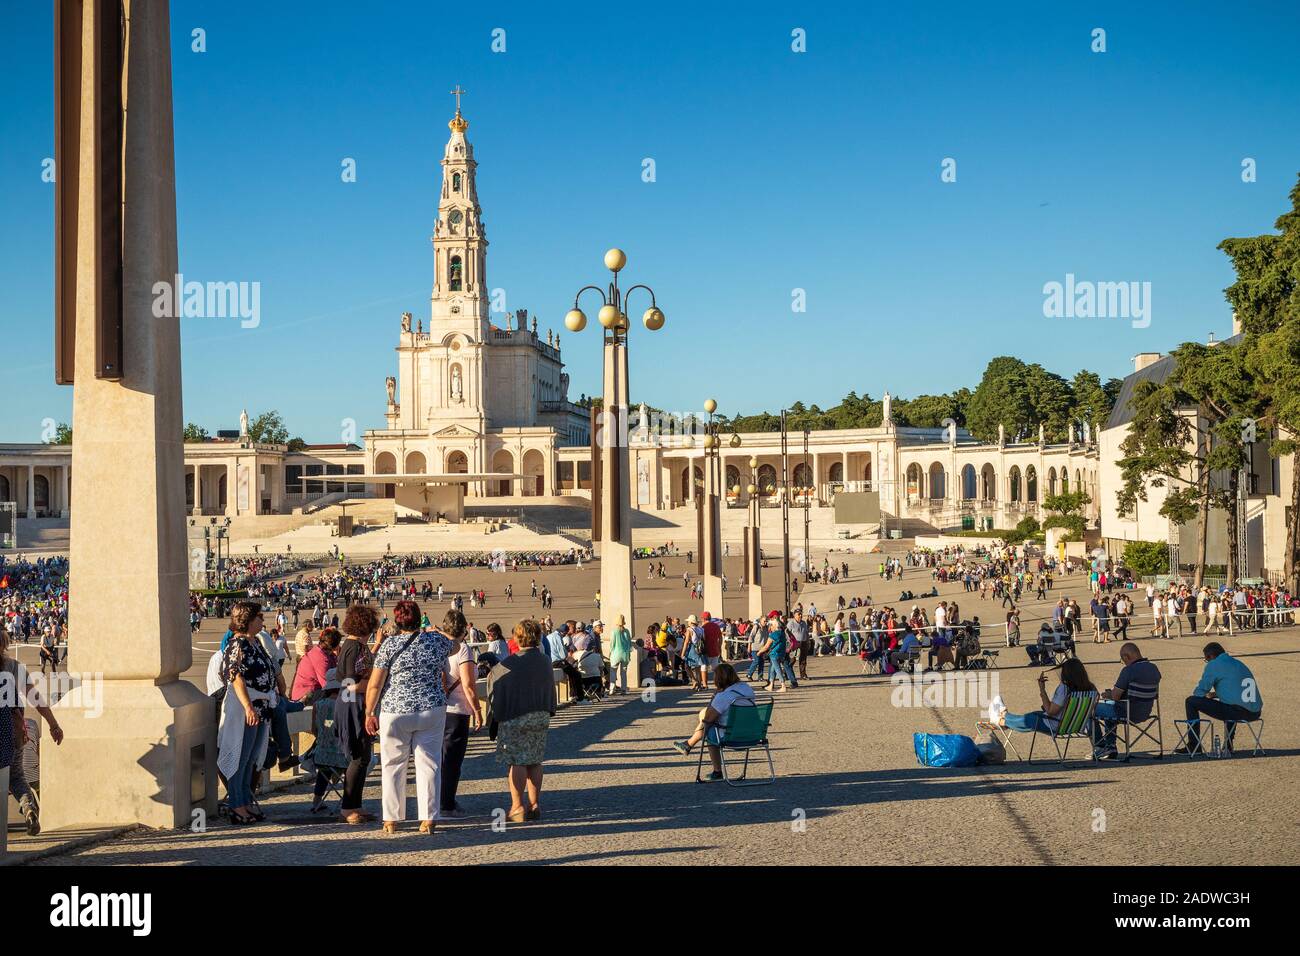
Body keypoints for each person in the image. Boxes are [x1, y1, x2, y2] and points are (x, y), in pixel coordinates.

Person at [364, 601, 461, 835]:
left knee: (393, 764)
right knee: (429, 764)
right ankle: (428, 818)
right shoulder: (437, 642)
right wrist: (436, 630)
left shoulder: (389, 645)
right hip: (431, 707)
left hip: (395, 710)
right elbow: (456, 645)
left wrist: (369, 712)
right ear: (420, 619)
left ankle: (391, 819)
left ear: (397, 621)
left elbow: (375, 684)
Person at [487, 619, 556, 823]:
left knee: (516, 760)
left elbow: (494, 686)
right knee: (534, 759)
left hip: (515, 716)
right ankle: (535, 804)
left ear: (518, 638)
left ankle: (517, 806)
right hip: (541, 714)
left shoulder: (508, 663)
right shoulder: (544, 660)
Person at [216, 601, 278, 825]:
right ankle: (237, 805)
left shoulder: (256, 642)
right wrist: (248, 707)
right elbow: (235, 677)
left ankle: (245, 802)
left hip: (262, 708)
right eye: (259, 616)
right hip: (247, 709)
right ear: (248, 620)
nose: (263, 620)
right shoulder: (237, 644)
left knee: (251, 759)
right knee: (240, 759)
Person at [1, 630, 65, 835]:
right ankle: (28, 807)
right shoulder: (15, 667)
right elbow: (35, 698)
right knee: (17, 777)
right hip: (12, 729)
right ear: (6, 643)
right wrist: (53, 724)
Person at [671, 662, 756, 779]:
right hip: (752, 734)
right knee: (707, 718)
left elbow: (707, 720)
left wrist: (714, 697)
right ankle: (688, 744)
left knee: (708, 728)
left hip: (732, 737)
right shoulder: (746, 688)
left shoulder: (723, 696)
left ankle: (717, 771)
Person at [1176, 642, 1264, 754]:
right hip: (1255, 712)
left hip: (1237, 712)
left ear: (1210, 656)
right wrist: (1214, 695)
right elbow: (1237, 690)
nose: (1207, 662)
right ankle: (1228, 745)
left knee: (1191, 701)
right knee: (1229, 704)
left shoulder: (1214, 665)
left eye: (1206, 660)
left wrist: (1204, 697)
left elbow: (1200, 691)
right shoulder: (1238, 663)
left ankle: (1194, 745)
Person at [335, 604, 378, 825]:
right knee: (358, 757)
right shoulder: (352, 646)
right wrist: (372, 683)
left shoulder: (354, 645)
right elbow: (349, 681)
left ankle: (356, 804)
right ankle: (347, 808)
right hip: (351, 703)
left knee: (364, 757)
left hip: (355, 701)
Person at [1092, 642, 1161, 759]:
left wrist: (1108, 694)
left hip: (1127, 712)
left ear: (1126, 657)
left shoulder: (1128, 670)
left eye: (1122, 659)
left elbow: (1115, 696)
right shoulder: (1154, 668)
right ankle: (1110, 746)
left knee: (1091, 708)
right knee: (1111, 706)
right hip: (1145, 712)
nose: (1123, 662)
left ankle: (1102, 746)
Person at [441, 610, 480, 818]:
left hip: (438, 709)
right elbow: (469, 685)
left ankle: (436, 800)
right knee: (453, 761)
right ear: (464, 628)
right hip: (457, 711)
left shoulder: (437, 646)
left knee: (438, 759)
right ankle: (447, 803)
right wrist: (478, 710)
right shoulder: (463, 650)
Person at [1001, 657, 1096, 736]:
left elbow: (1050, 711)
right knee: (1030, 717)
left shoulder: (1065, 688)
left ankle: (1002, 717)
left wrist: (1042, 690)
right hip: (1075, 725)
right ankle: (1003, 720)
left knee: (1027, 720)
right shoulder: (1091, 689)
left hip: (1055, 725)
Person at [292, 626, 340, 702]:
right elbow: (327, 684)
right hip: (305, 695)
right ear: (335, 646)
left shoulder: (326, 654)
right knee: (342, 696)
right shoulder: (320, 657)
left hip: (313, 690)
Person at [606, 613, 632, 694]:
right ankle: (623, 689)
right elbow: (629, 644)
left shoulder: (614, 631)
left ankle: (612, 689)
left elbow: (612, 644)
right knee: (623, 673)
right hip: (625, 654)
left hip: (615, 654)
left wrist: (610, 653)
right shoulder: (627, 631)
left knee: (613, 672)